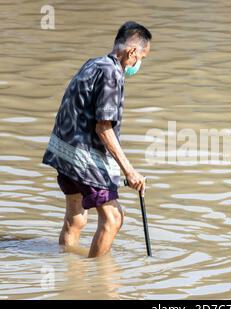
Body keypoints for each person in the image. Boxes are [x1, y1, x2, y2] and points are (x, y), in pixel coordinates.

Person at [42, 21, 152, 258]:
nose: (138, 64)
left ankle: (70, 273)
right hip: (83, 158)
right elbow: (104, 128)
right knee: (114, 218)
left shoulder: (93, 63)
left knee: (76, 218)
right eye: (141, 57)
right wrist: (129, 171)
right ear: (131, 52)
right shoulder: (112, 74)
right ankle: (97, 282)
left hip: (63, 151)